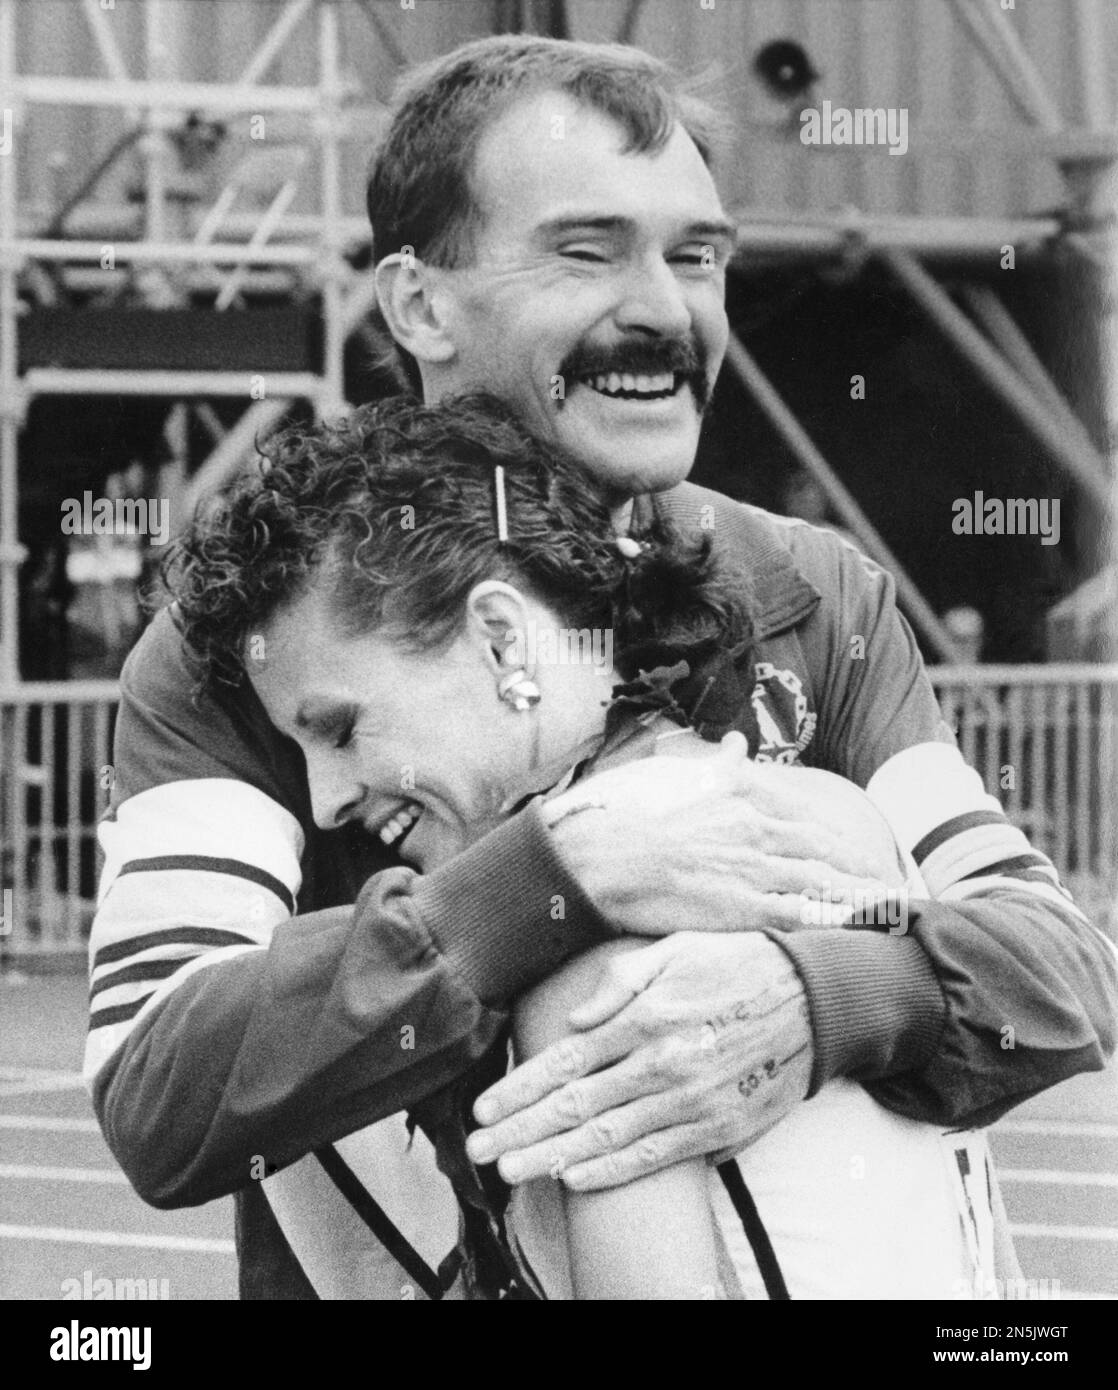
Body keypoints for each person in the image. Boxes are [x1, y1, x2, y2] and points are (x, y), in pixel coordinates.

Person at [85, 35, 1115, 1299]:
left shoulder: (808, 591)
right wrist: (555, 881)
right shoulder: (253, 636)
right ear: (417, 304)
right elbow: (160, 1096)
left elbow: (1059, 976)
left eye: (695, 256)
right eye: (586, 251)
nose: (662, 307)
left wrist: (817, 1000)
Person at [164, 390, 998, 1300]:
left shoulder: (597, 972)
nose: (325, 801)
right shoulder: (837, 807)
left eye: (339, 729)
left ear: (501, 640)